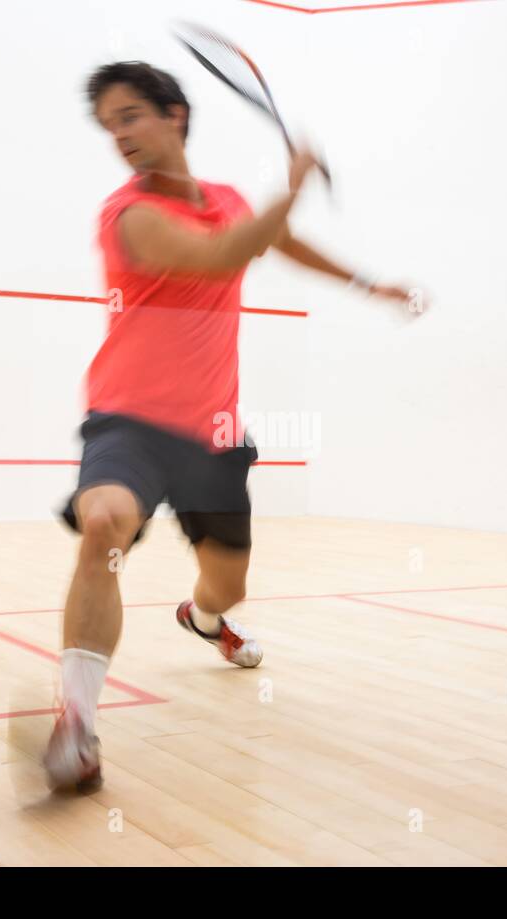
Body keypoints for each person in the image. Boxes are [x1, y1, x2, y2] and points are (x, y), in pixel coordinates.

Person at [44, 61, 420, 793]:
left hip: (213, 435)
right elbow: (224, 254)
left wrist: (364, 282)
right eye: (108, 125)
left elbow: (271, 241)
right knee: (104, 527)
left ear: (174, 115)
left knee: (228, 585)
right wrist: (297, 182)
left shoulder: (225, 199)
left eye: (130, 116)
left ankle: (205, 619)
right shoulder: (129, 215)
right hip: (126, 418)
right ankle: (77, 725)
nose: (118, 135)